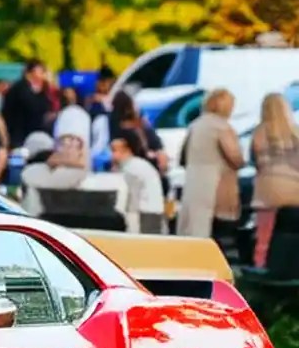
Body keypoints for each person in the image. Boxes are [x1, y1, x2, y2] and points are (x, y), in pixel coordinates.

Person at [179, 89, 244, 238]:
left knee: (194, 225)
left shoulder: (194, 125)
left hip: (193, 181)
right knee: (214, 228)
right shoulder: (222, 127)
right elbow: (234, 157)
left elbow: (183, 158)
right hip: (216, 183)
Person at [249, 92, 299, 267]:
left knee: (264, 238)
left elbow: (254, 162)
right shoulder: (296, 133)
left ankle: (260, 271)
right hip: (295, 192)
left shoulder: (258, 133)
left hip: (268, 193)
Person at [111, 130, 166, 234]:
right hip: (152, 213)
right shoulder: (137, 164)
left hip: (145, 216)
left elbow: (132, 201)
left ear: (126, 149)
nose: (111, 154)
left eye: (114, 150)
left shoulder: (132, 168)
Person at [3, 59, 54, 149]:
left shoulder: (38, 90)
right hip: (20, 137)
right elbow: (34, 107)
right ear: (30, 72)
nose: (43, 75)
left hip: (30, 136)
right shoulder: (21, 88)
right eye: (41, 71)